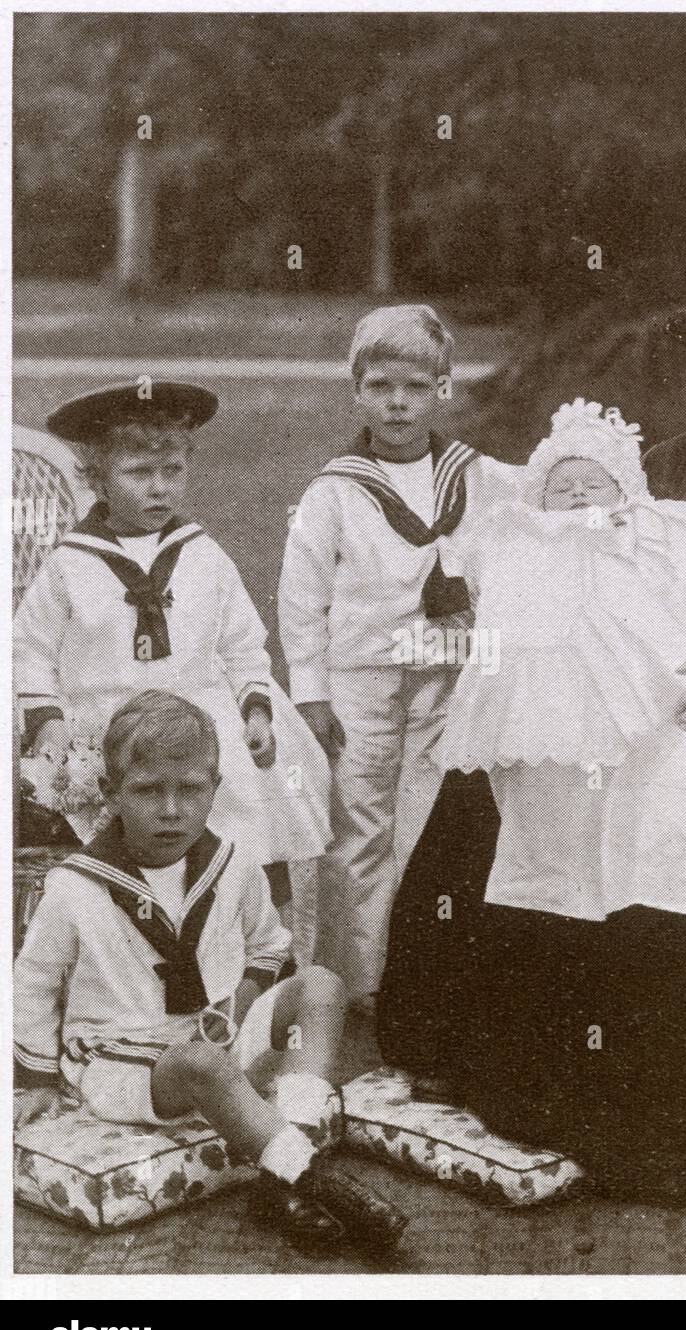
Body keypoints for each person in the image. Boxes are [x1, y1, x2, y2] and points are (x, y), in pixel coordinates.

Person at [378, 241, 686, 1215]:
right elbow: (552, 546)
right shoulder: (656, 469)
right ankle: (472, 1050)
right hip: (626, 718)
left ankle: (649, 1104)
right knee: (497, 785)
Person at [435, 398, 686, 924]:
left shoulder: (647, 525)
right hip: (547, 679)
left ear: (622, 492)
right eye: (561, 488)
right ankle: (554, 887)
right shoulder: (523, 531)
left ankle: (653, 876)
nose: (576, 496)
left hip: (634, 666)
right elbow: (481, 571)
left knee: (644, 777)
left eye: (592, 485)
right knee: (548, 789)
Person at [14, 692, 351, 1245]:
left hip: (215, 1037)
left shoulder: (234, 863)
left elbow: (268, 948)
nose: (171, 810)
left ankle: (289, 1157)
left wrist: (238, 1007)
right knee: (203, 1065)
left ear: (215, 790)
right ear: (110, 795)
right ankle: (310, 1175)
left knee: (321, 986)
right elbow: (33, 986)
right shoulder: (74, 886)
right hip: (124, 1063)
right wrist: (34, 1079)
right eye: (147, 791)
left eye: (190, 789)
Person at [13, 381, 331, 960]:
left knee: (253, 797)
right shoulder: (69, 566)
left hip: (201, 709)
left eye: (173, 471)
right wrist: (48, 722)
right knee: (135, 820)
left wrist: (254, 706)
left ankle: (260, 945)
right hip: (108, 717)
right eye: (139, 473)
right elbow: (29, 650)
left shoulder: (202, 553)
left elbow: (241, 641)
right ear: (97, 479)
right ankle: (133, 952)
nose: (160, 488)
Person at [279, 304, 519, 1008]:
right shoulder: (335, 491)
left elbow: (553, 493)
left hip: (447, 675)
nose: (398, 402)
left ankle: (417, 985)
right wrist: (311, 692)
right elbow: (301, 599)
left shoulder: (473, 476)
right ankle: (357, 992)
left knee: (429, 825)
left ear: (442, 389)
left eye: (417, 387)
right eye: (380, 386)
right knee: (358, 832)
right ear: (357, 391)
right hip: (361, 680)